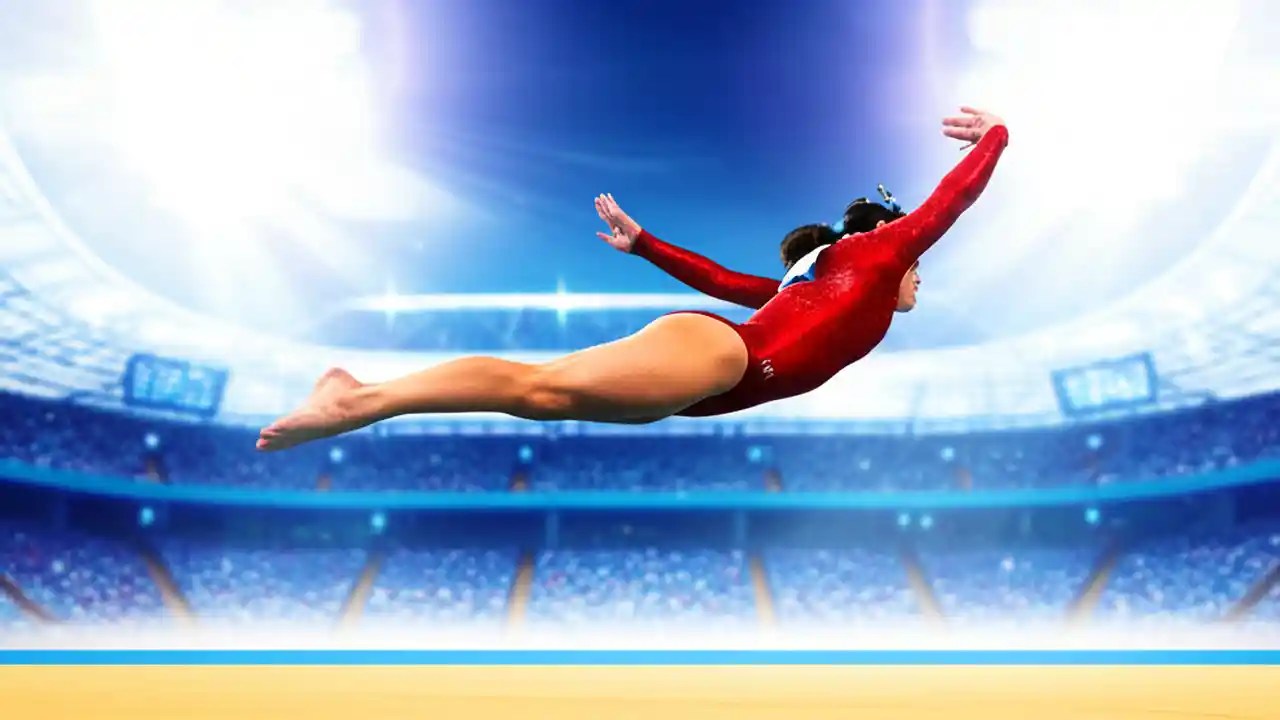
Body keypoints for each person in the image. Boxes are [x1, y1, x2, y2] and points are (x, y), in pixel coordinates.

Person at [256, 107, 1007, 451]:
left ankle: (361, 396)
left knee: (537, 392)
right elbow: (955, 197)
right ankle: (359, 399)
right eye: (922, 268)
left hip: (715, 371)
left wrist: (647, 245)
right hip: (723, 362)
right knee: (535, 389)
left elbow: (722, 280)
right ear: (900, 248)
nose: (921, 281)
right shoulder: (877, 253)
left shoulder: (805, 284)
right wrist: (998, 134)